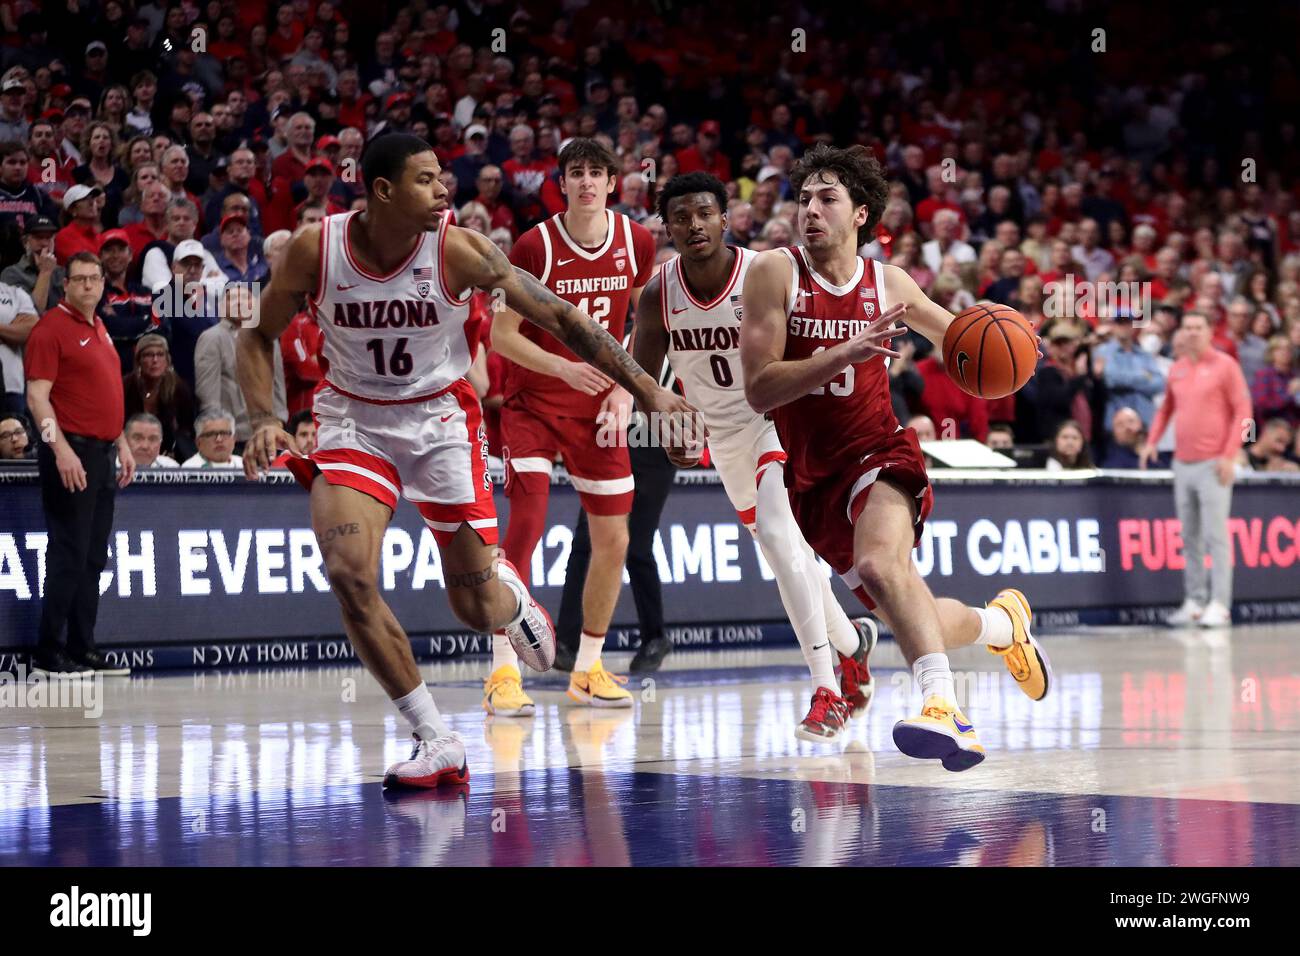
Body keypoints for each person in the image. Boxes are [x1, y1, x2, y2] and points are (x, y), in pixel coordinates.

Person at [235, 134, 696, 790]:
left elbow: (564, 317)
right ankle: (436, 737)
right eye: (426, 180)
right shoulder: (318, 247)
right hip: (352, 422)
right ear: (382, 190)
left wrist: (649, 390)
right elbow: (256, 336)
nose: (444, 191)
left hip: (442, 422)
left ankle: (512, 606)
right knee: (348, 573)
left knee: (475, 609)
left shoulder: (458, 248)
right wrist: (264, 419)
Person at [740, 145, 1050, 771]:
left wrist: (1011, 345)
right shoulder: (775, 272)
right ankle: (1001, 626)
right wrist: (844, 352)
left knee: (883, 566)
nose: (811, 211)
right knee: (917, 613)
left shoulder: (889, 283)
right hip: (812, 480)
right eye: (804, 199)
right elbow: (760, 387)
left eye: (827, 199)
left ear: (861, 214)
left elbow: (960, 337)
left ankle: (942, 705)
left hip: (880, 453)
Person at [632, 172, 881, 736]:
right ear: (666, 226)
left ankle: (826, 689)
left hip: (779, 422)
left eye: (704, 213)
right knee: (785, 554)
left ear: (726, 218)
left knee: (776, 536)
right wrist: (663, 423)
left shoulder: (763, 273)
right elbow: (642, 379)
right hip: (722, 442)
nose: (693, 225)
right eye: (680, 216)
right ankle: (852, 641)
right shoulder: (658, 293)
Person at [489, 137, 656, 717]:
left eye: (596, 173)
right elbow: (501, 336)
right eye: (576, 173)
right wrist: (565, 365)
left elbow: (645, 324)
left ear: (614, 182)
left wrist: (622, 388)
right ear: (563, 182)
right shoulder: (535, 245)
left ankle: (586, 670)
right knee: (527, 525)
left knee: (614, 540)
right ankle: (501, 673)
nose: (586, 182)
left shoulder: (636, 240)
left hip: (597, 410)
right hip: (532, 402)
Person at [23, 251, 135, 676]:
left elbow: (104, 396)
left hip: (102, 452)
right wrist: (60, 449)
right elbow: (37, 397)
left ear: (104, 284)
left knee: (92, 556)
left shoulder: (100, 328)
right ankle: (48, 651)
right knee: (69, 553)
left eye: (95, 279)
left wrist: (121, 441)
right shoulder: (51, 329)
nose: (89, 285)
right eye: (80, 279)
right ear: (65, 284)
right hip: (72, 454)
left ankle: (82, 646)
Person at [1141, 311, 1253, 629]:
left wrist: (1230, 454)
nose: (1191, 333)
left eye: (1197, 328)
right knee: (1189, 536)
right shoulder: (1177, 369)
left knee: (1216, 536)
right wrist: (1151, 441)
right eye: (1186, 327)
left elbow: (1244, 410)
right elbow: (1165, 410)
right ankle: (1194, 600)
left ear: (1209, 332)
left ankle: (1220, 604)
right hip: (1182, 462)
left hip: (1214, 462)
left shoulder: (1225, 366)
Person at [194, 283, 286, 442]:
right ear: (221, 306)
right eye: (232, 299)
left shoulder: (269, 337)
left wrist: (280, 420)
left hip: (268, 431)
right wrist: (218, 430)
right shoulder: (211, 338)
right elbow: (207, 392)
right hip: (232, 434)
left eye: (246, 298)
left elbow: (278, 384)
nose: (239, 302)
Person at [122, 334, 196, 462]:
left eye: (160, 354)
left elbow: (187, 428)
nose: (155, 360)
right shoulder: (126, 386)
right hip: (129, 452)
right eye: (149, 355)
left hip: (170, 453)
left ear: (167, 360)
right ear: (139, 360)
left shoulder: (179, 388)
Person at [1094, 312, 1164, 428]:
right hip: (1116, 421)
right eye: (1120, 323)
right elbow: (1111, 379)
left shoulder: (1144, 354)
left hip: (1144, 420)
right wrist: (1143, 376)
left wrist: (1125, 378)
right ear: (1113, 326)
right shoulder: (1103, 351)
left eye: (1127, 323)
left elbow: (1159, 384)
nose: (1124, 327)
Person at [0, 216, 64, 314]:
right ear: (25, 242)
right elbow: (33, 313)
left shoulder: (62, 273)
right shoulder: (11, 274)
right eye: (38, 237)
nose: (44, 244)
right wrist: (45, 272)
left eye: (49, 238)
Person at [0, 277, 38, 415]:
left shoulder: (15, 294)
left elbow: (33, 330)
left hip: (12, 388)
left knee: (14, 436)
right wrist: (10, 327)